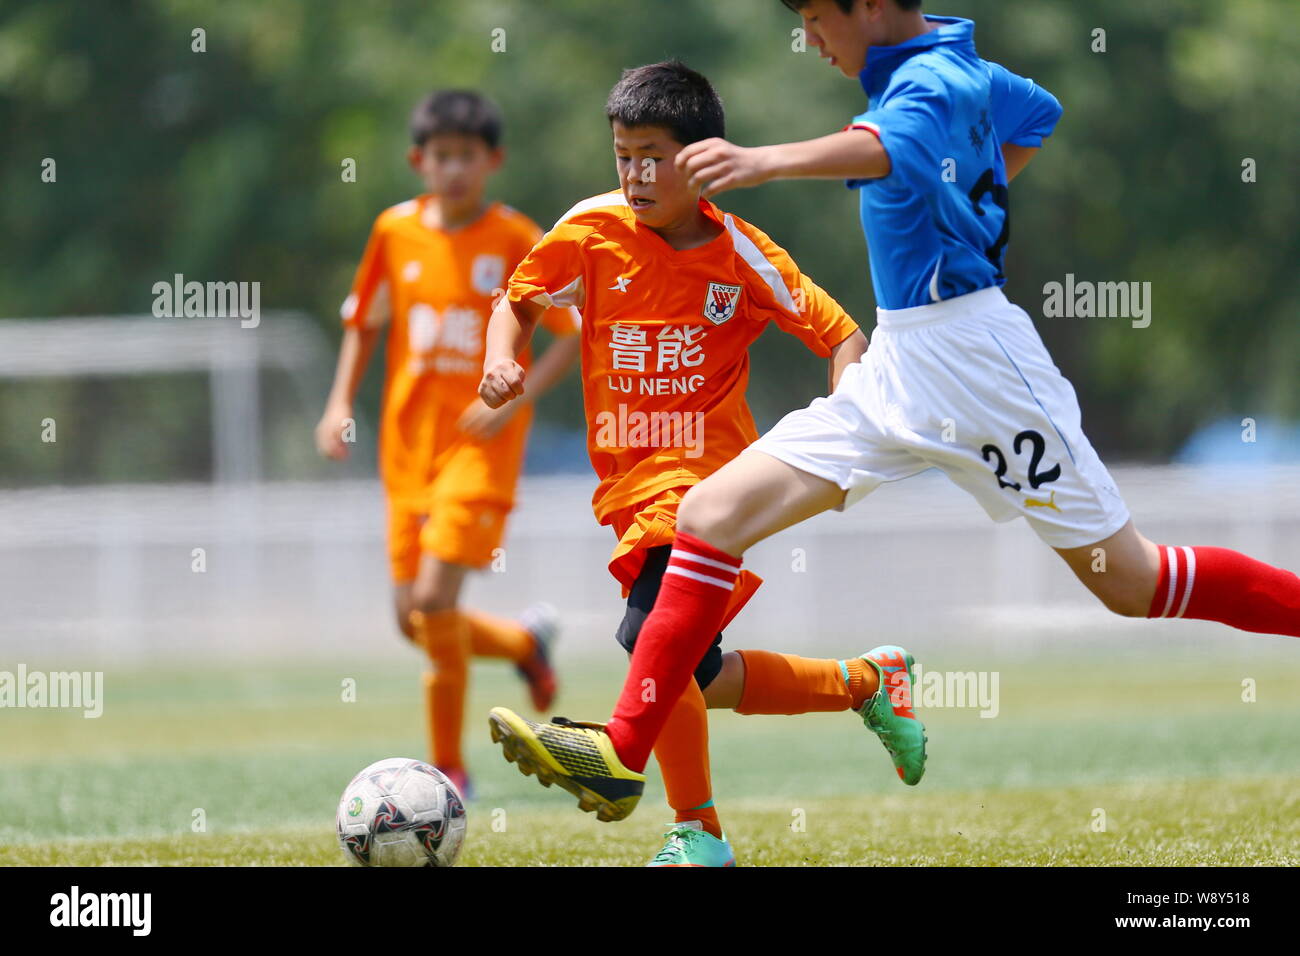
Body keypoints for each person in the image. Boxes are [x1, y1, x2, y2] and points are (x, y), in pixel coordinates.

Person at [480, 0, 1300, 834]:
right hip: (902, 358)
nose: (810, 38)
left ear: (869, 7)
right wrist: (969, 204)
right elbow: (1038, 114)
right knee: (709, 515)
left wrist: (762, 161)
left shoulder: (929, 78)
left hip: (980, 366)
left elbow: (886, 147)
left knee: (1131, 583)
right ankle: (625, 754)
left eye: (816, 19)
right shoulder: (958, 66)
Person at [480, 61, 934, 867]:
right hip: (623, 484)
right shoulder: (590, 228)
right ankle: (866, 682)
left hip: (707, 488)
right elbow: (517, 296)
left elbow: (842, 335)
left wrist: (846, 423)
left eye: (653, 155)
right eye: (623, 155)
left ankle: (694, 827)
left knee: (651, 638)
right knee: (692, 668)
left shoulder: (743, 257)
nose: (635, 174)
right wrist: (500, 360)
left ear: (702, 158)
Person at [315, 89, 581, 798]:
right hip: (408, 453)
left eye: (469, 156)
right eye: (442, 157)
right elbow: (363, 323)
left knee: (434, 599)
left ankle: (448, 771)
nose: (455, 169)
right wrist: (340, 402)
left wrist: (513, 396)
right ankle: (525, 645)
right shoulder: (394, 231)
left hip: (480, 448)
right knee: (413, 620)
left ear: (492, 160)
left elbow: (571, 334)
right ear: (418, 161)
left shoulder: (517, 238)